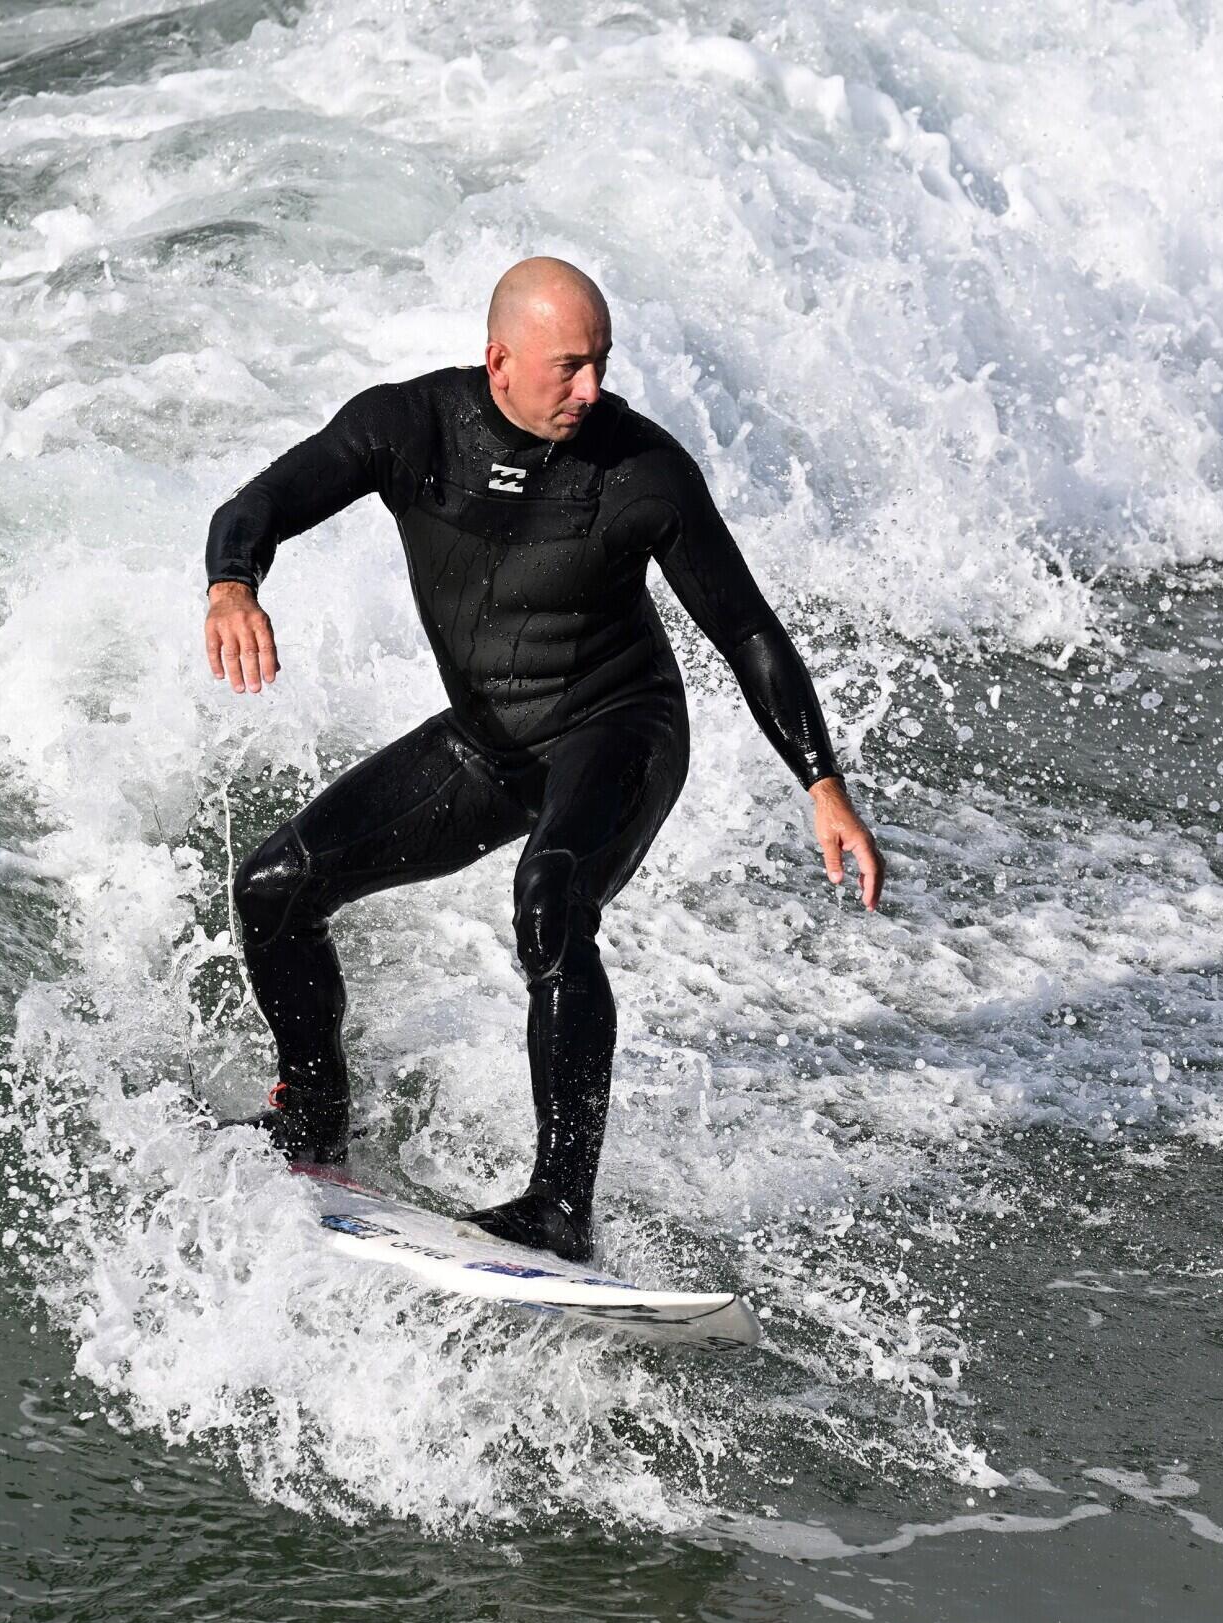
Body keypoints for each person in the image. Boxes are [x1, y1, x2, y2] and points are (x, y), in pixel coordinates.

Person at [200, 257, 885, 1262]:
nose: (592, 390)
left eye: (600, 363)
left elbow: (745, 632)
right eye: (569, 368)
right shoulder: (411, 429)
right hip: (490, 743)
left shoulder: (640, 470)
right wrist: (231, 584)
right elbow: (261, 502)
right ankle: (312, 1119)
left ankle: (560, 1207)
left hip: (622, 730)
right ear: (499, 360)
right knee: (274, 886)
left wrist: (820, 781)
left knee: (550, 892)